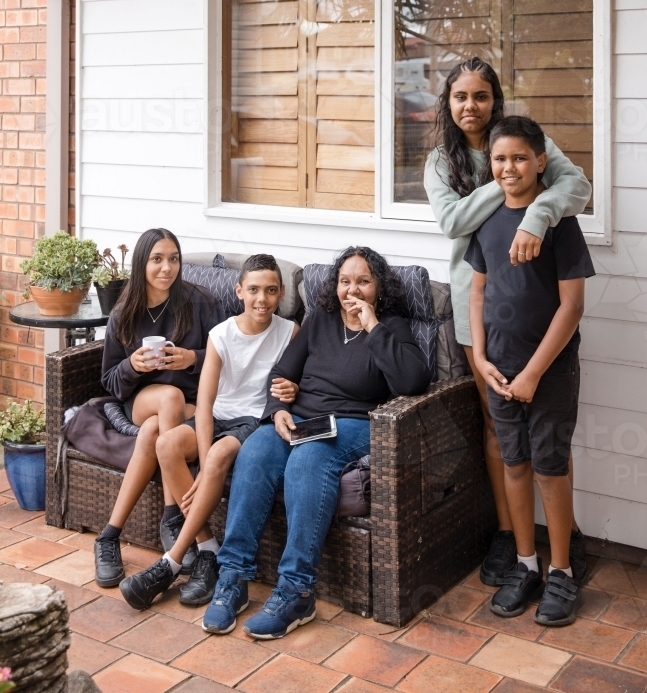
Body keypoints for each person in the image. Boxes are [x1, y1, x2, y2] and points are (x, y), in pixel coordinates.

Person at [201, 246, 432, 640]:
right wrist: (277, 409)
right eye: (345, 281)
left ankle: (297, 591)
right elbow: (282, 371)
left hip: (355, 424)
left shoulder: (391, 327)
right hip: (302, 418)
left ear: (379, 288)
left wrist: (373, 327)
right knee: (255, 452)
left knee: (309, 459)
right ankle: (233, 577)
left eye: (363, 281)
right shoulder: (320, 319)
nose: (352, 290)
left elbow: (413, 382)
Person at [424, 58, 592, 587]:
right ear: (448, 104)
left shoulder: (525, 141)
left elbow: (576, 186)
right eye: (460, 97)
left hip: (537, 310)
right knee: (498, 426)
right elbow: (453, 221)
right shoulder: (441, 160)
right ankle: (508, 536)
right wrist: (511, 181)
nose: (470, 106)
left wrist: (537, 212)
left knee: (548, 435)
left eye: (481, 95)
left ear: (495, 98)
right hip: (479, 310)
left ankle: (565, 541)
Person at [465, 116, 594, 625]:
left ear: (541, 162)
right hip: (499, 369)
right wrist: (480, 357)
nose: (509, 167)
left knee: (549, 467)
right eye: (500, 158)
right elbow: (477, 292)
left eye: (520, 158)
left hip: (550, 374)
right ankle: (526, 564)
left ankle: (561, 570)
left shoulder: (559, 223)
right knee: (514, 464)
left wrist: (534, 373)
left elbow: (572, 307)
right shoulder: (488, 220)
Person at [117, 254, 299, 610]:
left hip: (253, 420)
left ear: (281, 293)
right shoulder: (221, 334)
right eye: (254, 290)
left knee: (217, 456)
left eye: (271, 290)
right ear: (239, 291)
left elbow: (299, 379)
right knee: (166, 444)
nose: (262, 299)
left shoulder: (290, 331)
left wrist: (293, 388)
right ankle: (209, 549)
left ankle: (170, 562)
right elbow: (204, 402)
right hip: (216, 415)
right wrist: (200, 466)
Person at [94, 227, 220, 588]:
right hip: (142, 400)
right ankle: (172, 515)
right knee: (168, 398)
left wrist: (192, 359)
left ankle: (108, 535)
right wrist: (133, 365)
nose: (167, 267)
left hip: (193, 403)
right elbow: (110, 381)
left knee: (154, 431)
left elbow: (225, 356)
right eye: (157, 259)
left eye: (174, 259)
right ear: (142, 264)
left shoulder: (200, 301)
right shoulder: (124, 312)